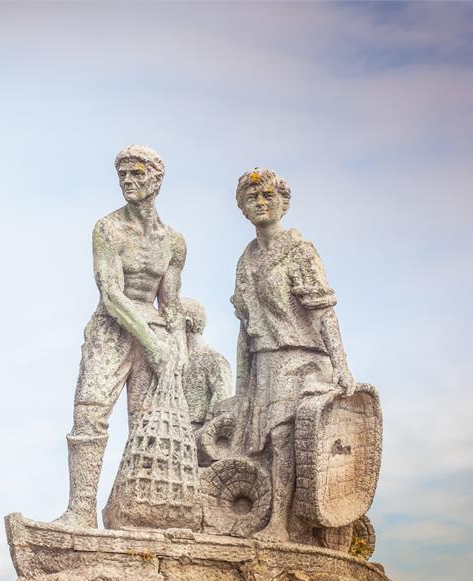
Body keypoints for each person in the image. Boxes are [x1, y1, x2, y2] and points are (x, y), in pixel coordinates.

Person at [52, 145, 187, 529]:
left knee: (147, 426)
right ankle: (81, 510)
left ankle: (131, 514)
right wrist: (154, 343)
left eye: (137, 174)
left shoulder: (174, 242)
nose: (128, 181)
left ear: (157, 180)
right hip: (114, 330)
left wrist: (177, 347)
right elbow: (112, 295)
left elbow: (172, 303)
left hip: (156, 335)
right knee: (89, 413)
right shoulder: (108, 228)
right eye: (123, 175)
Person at [228, 167, 354, 541]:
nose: (261, 203)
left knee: (283, 439)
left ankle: (281, 524)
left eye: (268, 196)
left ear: (283, 203)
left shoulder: (299, 250)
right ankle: (271, 518)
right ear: (243, 208)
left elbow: (323, 311)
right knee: (262, 444)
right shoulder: (246, 260)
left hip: (300, 359)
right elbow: (243, 328)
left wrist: (342, 367)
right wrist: (240, 386)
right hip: (264, 362)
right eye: (252, 198)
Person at [180, 297, 232, 436]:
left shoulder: (213, 359)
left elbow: (222, 404)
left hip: (195, 436)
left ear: (187, 324)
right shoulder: (178, 360)